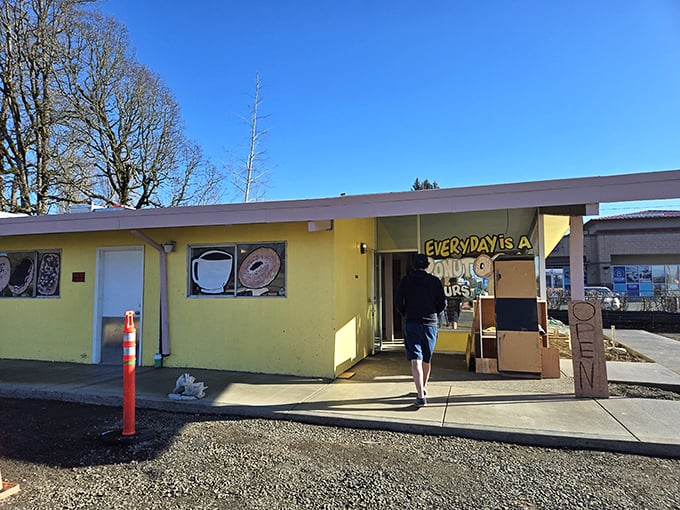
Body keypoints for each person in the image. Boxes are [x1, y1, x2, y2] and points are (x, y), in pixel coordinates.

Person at [395, 253, 446, 407]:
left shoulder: (406, 281)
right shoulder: (434, 281)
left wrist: (405, 312)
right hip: (430, 324)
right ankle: (423, 388)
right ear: (427, 265)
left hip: (412, 322)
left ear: (413, 265)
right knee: (426, 359)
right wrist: (434, 313)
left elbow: (398, 301)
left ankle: (420, 395)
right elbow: (442, 303)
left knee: (415, 359)